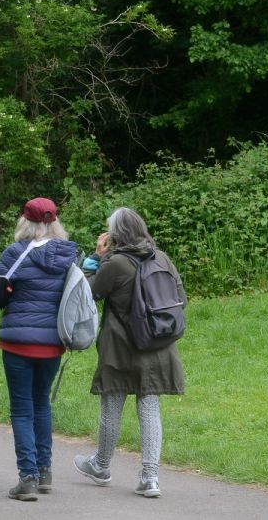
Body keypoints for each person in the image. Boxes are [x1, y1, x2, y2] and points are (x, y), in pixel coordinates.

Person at [74, 207, 185, 499]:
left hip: (120, 347)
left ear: (115, 234)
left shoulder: (115, 263)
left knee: (112, 407)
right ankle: (150, 478)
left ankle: (100, 465)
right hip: (158, 346)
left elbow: (87, 293)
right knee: (149, 410)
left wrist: (95, 258)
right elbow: (180, 298)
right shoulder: (162, 258)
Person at [0, 197, 77, 502]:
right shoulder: (69, 255)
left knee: (22, 409)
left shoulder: (15, 253)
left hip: (17, 342)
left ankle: (26, 478)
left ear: (25, 221)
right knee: (42, 404)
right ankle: (44, 473)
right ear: (54, 222)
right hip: (53, 343)